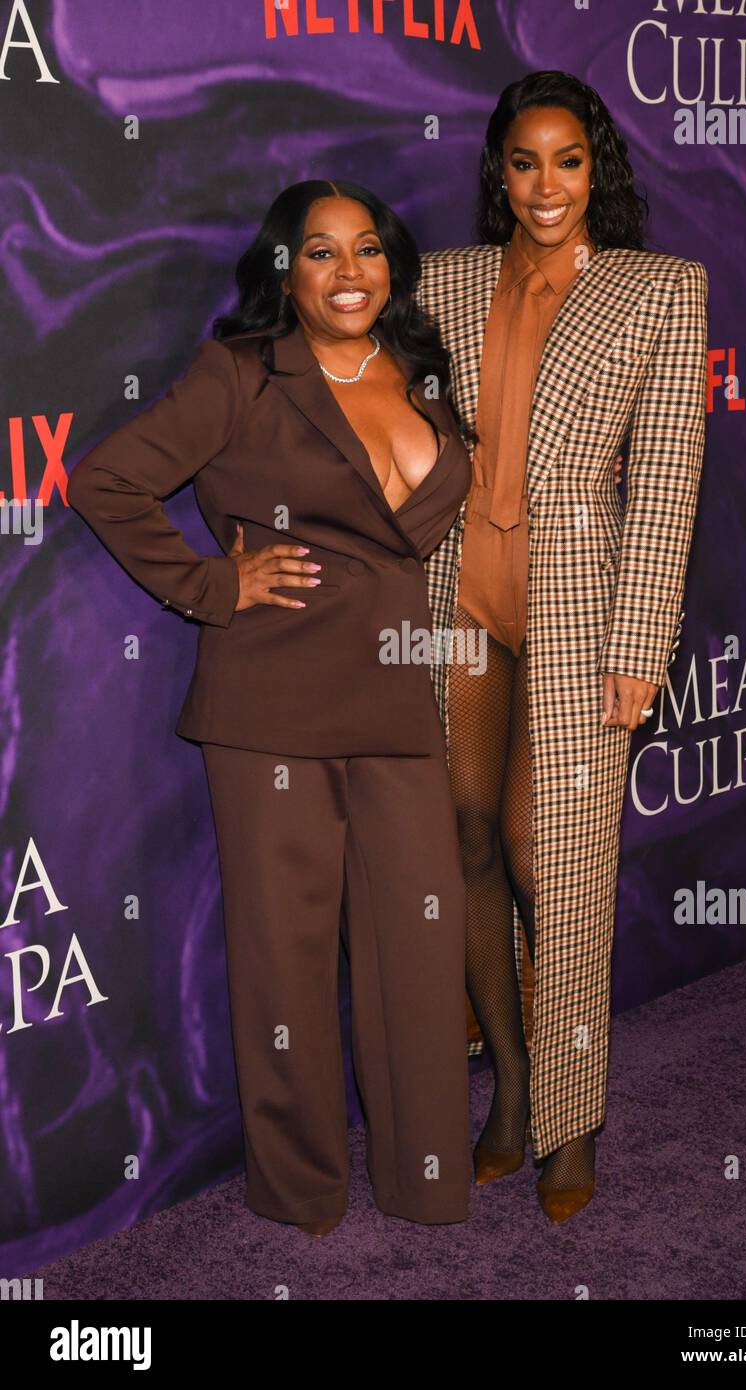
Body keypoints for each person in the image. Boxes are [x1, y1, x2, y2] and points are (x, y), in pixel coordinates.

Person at [67, 180, 473, 1238]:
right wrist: (211, 585)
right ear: (283, 271)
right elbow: (105, 480)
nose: (349, 272)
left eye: (368, 250)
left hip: (395, 694)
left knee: (419, 951)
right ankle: (299, 1192)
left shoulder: (420, 371)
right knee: (284, 957)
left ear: (393, 265)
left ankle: (425, 1178)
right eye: (321, 252)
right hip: (271, 706)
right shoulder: (240, 374)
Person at [418, 71, 709, 1222]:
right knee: (469, 839)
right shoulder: (437, 282)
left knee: (557, 858)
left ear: (599, 169)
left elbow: (668, 482)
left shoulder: (658, 290)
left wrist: (639, 646)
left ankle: (572, 1116)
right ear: (498, 168)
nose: (546, 185)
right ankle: (511, 1087)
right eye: (525, 162)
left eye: (569, 161)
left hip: (583, 611)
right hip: (456, 602)